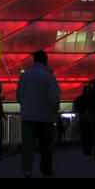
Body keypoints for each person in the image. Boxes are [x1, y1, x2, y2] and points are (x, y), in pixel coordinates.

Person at [16, 50, 61, 178]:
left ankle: (27, 170)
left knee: (28, 147)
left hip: (27, 117)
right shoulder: (49, 77)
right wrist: (55, 110)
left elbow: (18, 96)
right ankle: (46, 170)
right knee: (46, 147)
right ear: (46, 60)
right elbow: (53, 98)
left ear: (33, 60)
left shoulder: (24, 76)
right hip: (45, 117)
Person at [76, 79, 95, 161]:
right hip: (94, 115)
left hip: (90, 116)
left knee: (90, 134)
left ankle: (91, 151)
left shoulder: (89, 93)